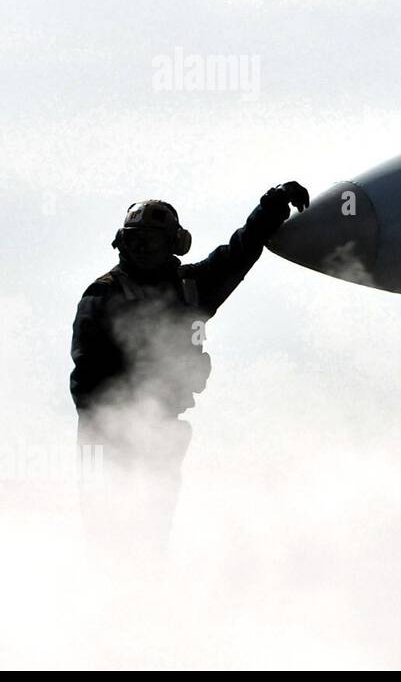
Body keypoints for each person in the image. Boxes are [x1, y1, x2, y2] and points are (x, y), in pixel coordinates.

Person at [70, 182, 309, 559]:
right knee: (107, 533)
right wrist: (120, 428)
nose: (142, 249)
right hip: (106, 437)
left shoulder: (193, 288)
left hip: (161, 431)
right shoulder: (103, 296)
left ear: (175, 244)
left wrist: (274, 204)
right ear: (121, 243)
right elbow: (87, 377)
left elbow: (242, 250)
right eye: (136, 240)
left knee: (153, 531)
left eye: (152, 240)